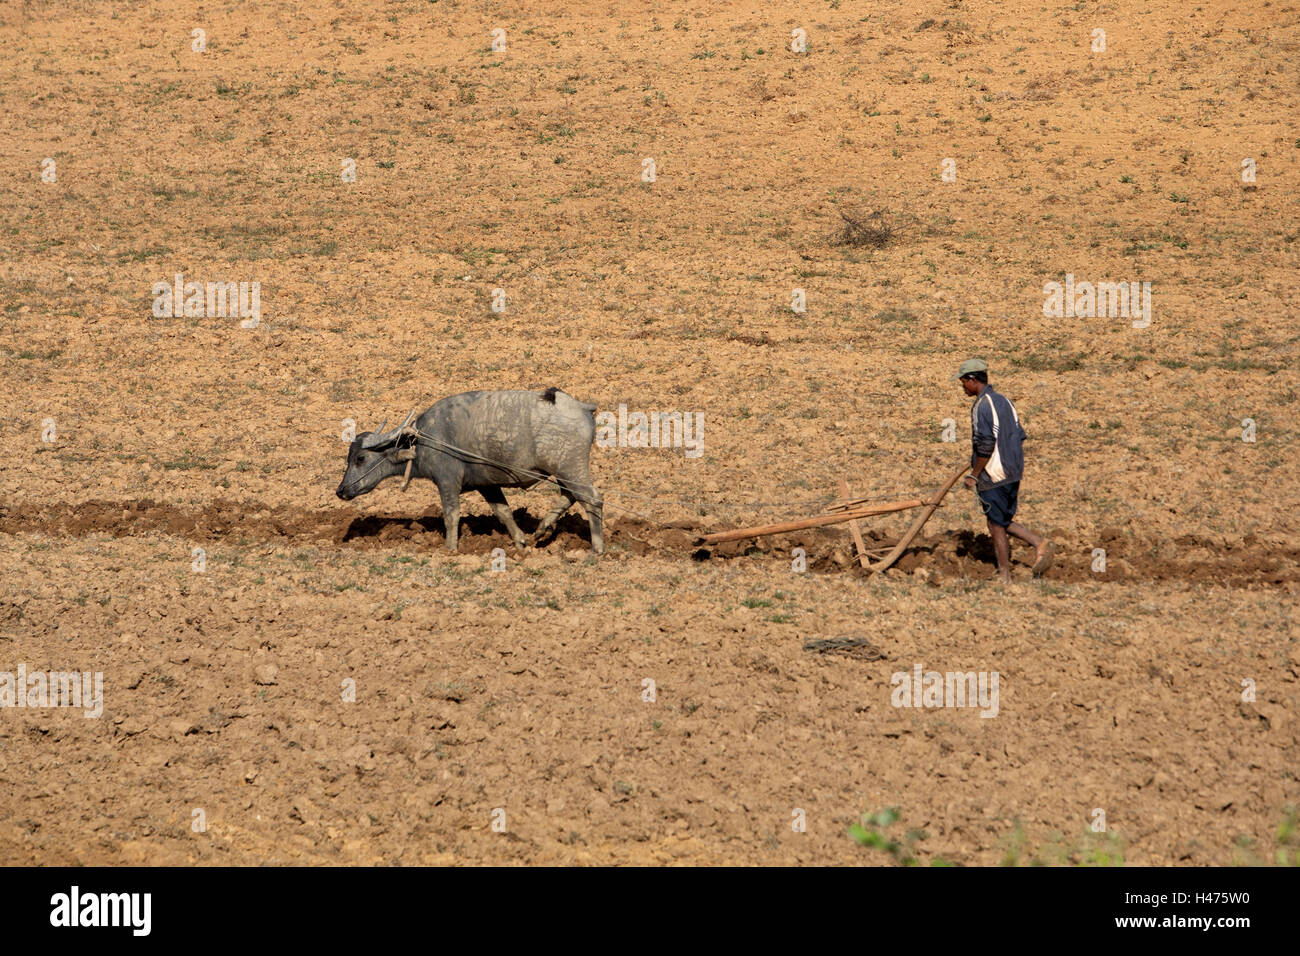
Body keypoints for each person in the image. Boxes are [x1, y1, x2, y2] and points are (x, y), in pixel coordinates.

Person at [952, 359, 1053, 583]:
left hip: (994, 472)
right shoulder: (1004, 401)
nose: (962, 387)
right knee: (1002, 517)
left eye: (962, 382)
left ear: (972, 380)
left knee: (995, 524)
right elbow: (1020, 435)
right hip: (1014, 470)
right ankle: (1038, 543)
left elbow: (986, 444)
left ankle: (1005, 574)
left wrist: (974, 474)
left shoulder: (982, 406)